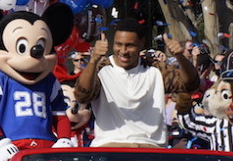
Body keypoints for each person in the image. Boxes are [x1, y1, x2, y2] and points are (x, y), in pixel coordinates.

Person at [73, 18, 198, 148]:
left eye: (129, 45)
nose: (123, 51)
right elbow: (82, 95)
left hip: (151, 147)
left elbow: (190, 84)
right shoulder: (101, 69)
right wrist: (93, 61)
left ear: (141, 43)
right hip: (110, 147)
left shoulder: (155, 69)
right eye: (118, 44)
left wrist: (180, 57)